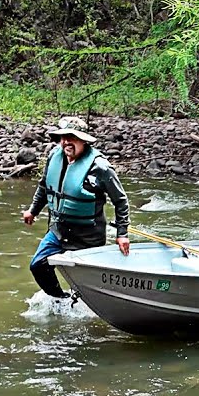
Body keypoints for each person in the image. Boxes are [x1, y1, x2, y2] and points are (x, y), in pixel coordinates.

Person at [22, 116, 130, 298]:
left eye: (71, 137)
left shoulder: (101, 167)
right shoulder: (54, 157)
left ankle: (87, 303)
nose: (66, 143)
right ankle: (60, 300)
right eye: (63, 138)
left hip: (87, 237)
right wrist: (33, 210)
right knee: (37, 266)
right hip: (58, 231)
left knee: (87, 282)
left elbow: (121, 200)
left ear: (83, 141)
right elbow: (44, 186)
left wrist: (122, 234)